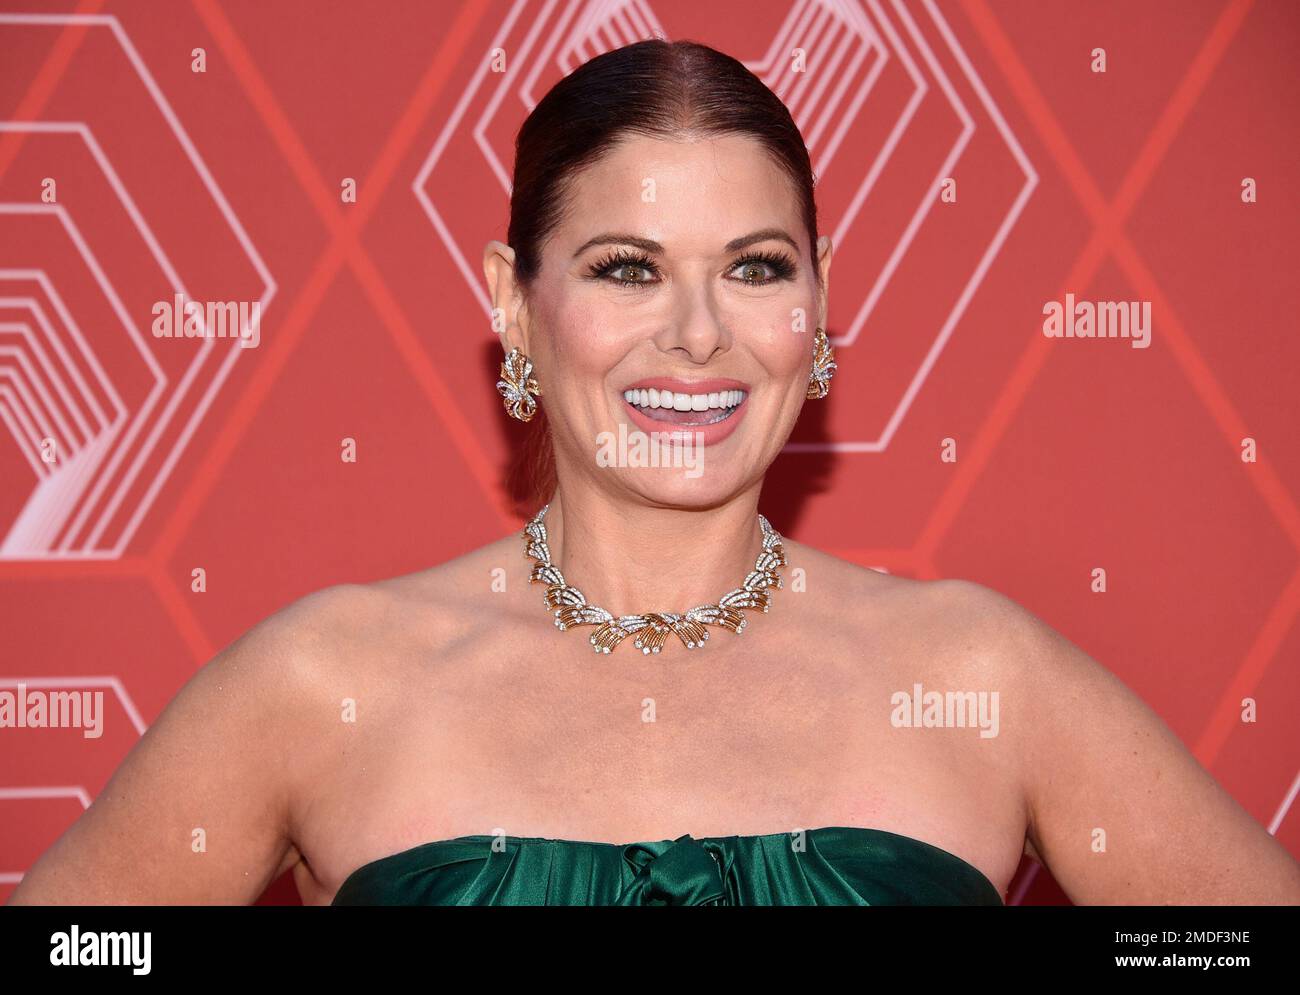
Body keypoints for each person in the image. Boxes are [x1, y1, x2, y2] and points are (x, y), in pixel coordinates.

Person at [9, 38, 1299, 907]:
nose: (698, 334)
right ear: (513, 305)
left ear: (819, 301)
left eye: (755, 266)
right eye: (627, 268)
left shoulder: (977, 673)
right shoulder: (324, 680)